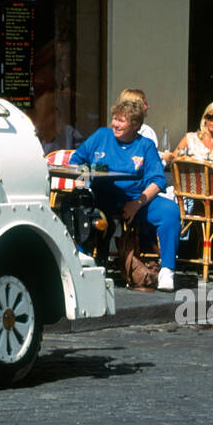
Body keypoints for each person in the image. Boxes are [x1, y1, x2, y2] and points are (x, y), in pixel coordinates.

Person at [69, 97, 179, 291]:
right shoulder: (102, 135)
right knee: (73, 203)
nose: (114, 124)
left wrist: (136, 204)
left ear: (135, 124)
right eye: (114, 118)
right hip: (103, 196)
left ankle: (167, 270)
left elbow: (157, 180)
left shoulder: (145, 145)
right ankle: (81, 257)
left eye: (121, 120)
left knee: (170, 210)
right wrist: (86, 174)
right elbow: (76, 160)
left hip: (135, 198)